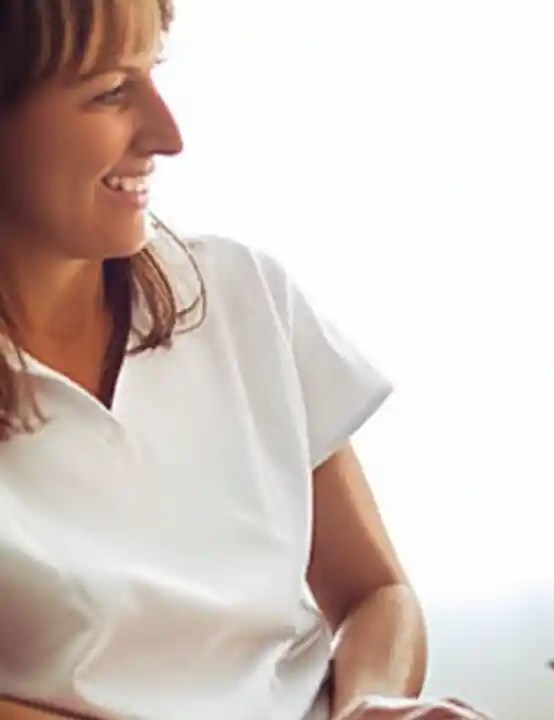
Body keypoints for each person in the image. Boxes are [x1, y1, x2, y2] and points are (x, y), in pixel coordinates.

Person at [0, 2, 487, 719]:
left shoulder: (243, 296)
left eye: (155, 70)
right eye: (110, 91)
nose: (169, 136)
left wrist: (371, 709)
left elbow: (374, 594)